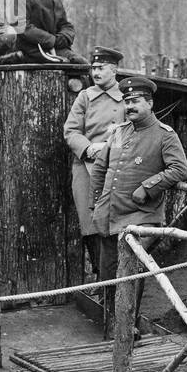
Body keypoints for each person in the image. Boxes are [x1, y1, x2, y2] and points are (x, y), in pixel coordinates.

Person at [89, 76, 187, 334]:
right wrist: (97, 201)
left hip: (140, 218)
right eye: (126, 101)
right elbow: (101, 167)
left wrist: (147, 187)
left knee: (131, 272)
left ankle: (127, 326)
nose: (130, 106)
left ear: (150, 103)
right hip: (110, 215)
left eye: (136, 101)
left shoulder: (165, 135)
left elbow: (180, 169)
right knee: (108, 274)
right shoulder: (119, 131)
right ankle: (111, 325)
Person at [64, 46, 127, 278]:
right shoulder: (85, 97)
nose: (95, 72)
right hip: (86, 168)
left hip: (116, 169)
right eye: (93, 68)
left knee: (113, 224)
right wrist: (88, 148)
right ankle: (102, 277)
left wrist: (110, 146)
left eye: (101, 68)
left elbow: (135, 132)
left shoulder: (126, 98)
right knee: (89, 223)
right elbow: (71, 131)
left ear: (114, 70)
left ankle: (117, 279)